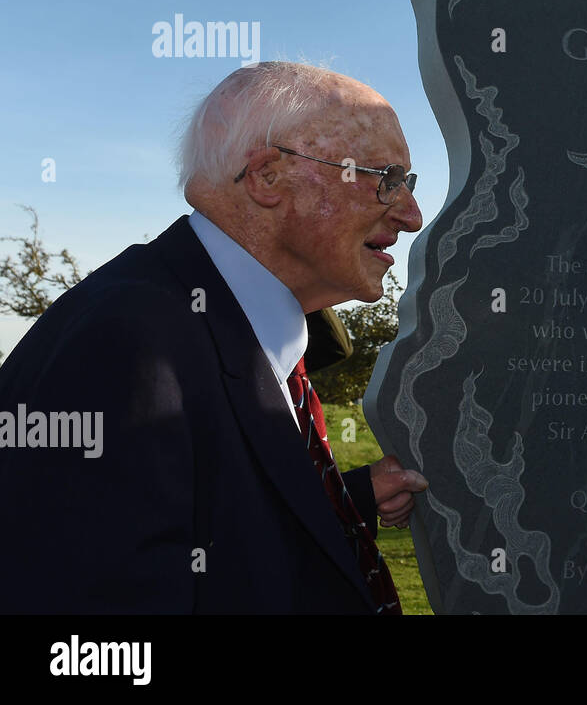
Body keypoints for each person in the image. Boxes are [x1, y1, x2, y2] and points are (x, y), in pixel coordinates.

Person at [0, 62, 429, 613]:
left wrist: (349, 499)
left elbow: (205, 518)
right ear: (268, 176)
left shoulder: (212, 321)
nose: (412, 215)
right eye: (385, 179)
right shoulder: (125, 347)